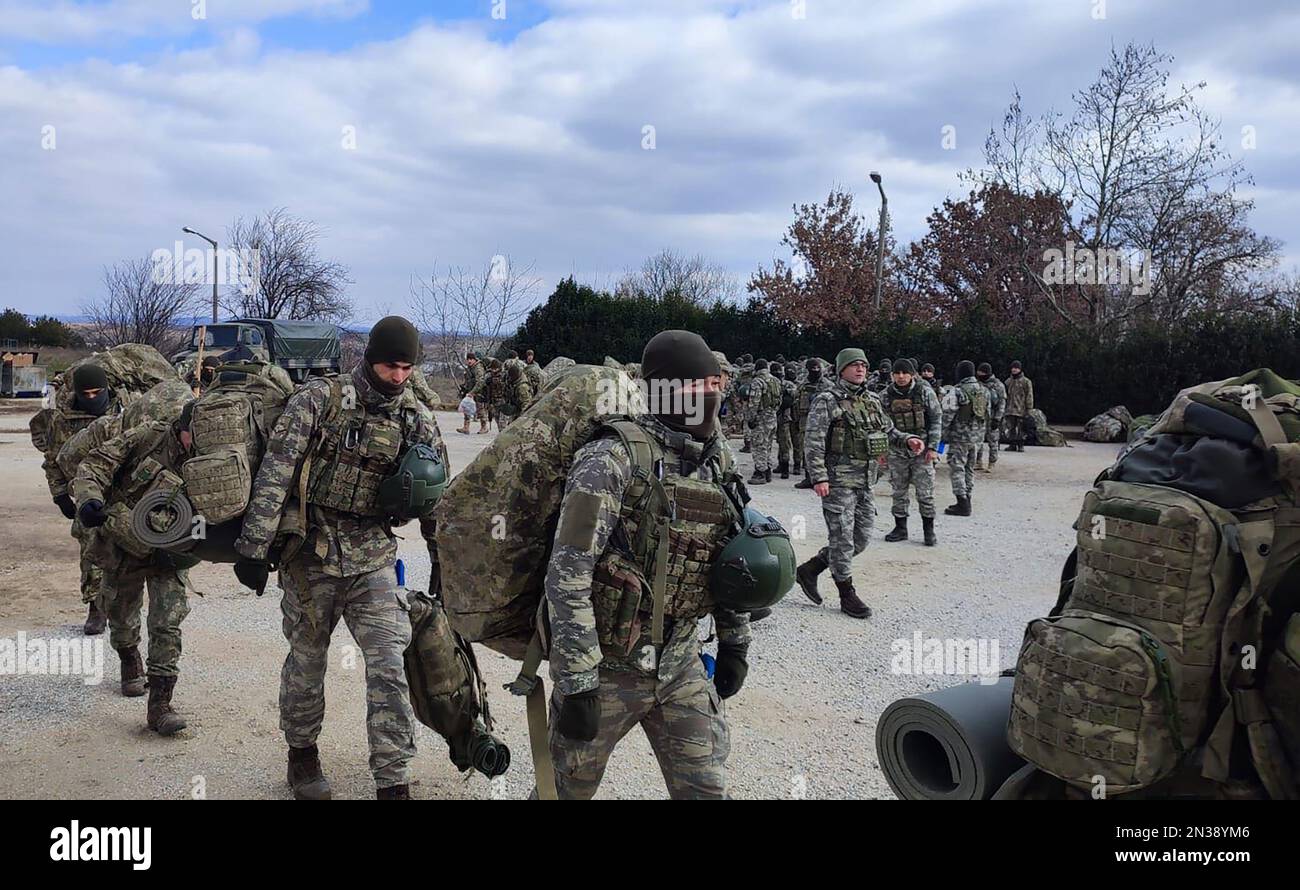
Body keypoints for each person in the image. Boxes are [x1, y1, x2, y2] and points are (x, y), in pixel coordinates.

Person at [233, 316, 448, 800]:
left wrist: (439, 558)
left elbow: (437, 490)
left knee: (390, 663)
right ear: (370, 358)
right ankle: (303, 756)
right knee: (308, 662)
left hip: (372, 555)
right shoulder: (319, 401)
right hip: (311, 552)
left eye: (407, 368)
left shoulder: (415, 415)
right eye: (391, 366)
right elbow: (277, 472)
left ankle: (393, 780)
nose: (398, 377)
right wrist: (252, 547)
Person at [544, 330, 752, 799]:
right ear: (664, 393)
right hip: (607, 670)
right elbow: (568, 571)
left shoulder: (717, 460)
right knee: (564, 792)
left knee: (706, 788)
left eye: (715, 386)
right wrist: (577, 681)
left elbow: (730, 555)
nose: (711, 398)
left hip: (680, 665)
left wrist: (735, 640)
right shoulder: (612, 457)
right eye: (698, 389)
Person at [73, 399, 197, 732]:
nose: (195, 444)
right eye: (191, 435)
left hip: (169, 550)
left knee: (168, 621)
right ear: (179, 429)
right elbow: (95, 463)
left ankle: (160, 704)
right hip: (122, 541)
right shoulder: (147, 437)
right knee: (121, 612)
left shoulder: (209, 456)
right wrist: (89, 500)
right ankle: (129, 658)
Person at [798, 349, 924, 618]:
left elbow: (887, 430)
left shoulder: (872, 400)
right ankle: (846, 594)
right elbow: (813, 441)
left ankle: (811, 569)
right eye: (853, 365)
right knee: (842, 538)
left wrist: (907, 439)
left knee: (861, 538)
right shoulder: (827, 400)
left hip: (866, 479)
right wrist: (818, 476)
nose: (860, 369)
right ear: (841, 369)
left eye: (863, 365)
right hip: (838, 480)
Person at [40, 363, 132, 635]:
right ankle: (96, 606)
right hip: (85, 491)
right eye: (86, 394)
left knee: (133, 547)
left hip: (125, 488)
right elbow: (53, 460)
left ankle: (126, 605)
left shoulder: (125, 409)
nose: (91, 398)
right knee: (92, 548)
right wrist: (59, 495)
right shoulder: (62, 419)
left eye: (97, 393)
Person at [878, 359, 942, 546]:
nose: (901, 376)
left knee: (925, 492)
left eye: (905, 373)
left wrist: (933, 448)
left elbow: (937, 419)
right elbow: (881, 426)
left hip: (922, 451)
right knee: (899, 490)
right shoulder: (885, 396)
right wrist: (882, 451)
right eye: (897, 373)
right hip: (897, 450)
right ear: (892, 375)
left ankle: (928, 530)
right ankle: (900, 527)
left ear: (912, 374)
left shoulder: (925, 392)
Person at [942, 360, 988, 516]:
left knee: (957, 468)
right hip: (977, 438)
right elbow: (987, 413)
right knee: (969, 469)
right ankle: (967, 497)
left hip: (959, 437)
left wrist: (940, 434)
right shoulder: (984, 390)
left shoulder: (957, 391)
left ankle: (962, 503)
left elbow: (947, 415)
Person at [748, 359, 781, 485]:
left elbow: (754, 402)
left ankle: (760, 472)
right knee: (768, 445)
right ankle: (768, 471)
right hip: (772, 417)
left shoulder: (757, 381)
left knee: (758, 445)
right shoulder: (776, 381)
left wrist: (751, 418)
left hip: (761, 418)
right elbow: (779, 400)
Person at [976, 362, 1006, 471]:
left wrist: (997, 418)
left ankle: (992, 462)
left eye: (982, 372)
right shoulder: (977, 384)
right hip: (979, 417)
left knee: (993, 441)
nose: (979, 374)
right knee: (978, 440)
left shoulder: (998, 385)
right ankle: (978, 461)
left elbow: (1002, 403)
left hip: (992, 416)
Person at [1003, 360, 1034, 452]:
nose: (1014, 370)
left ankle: (1021, 444)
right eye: (1013, 368)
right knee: (1011, 427)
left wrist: (1029, 408)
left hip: (1021, 408)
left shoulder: (1026, 381)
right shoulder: (1008, 381)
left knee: (1021, 428)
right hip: (1010, 408)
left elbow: (1029, 395)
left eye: (1016, 368)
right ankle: (1012, 444)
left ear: (1020, 369)